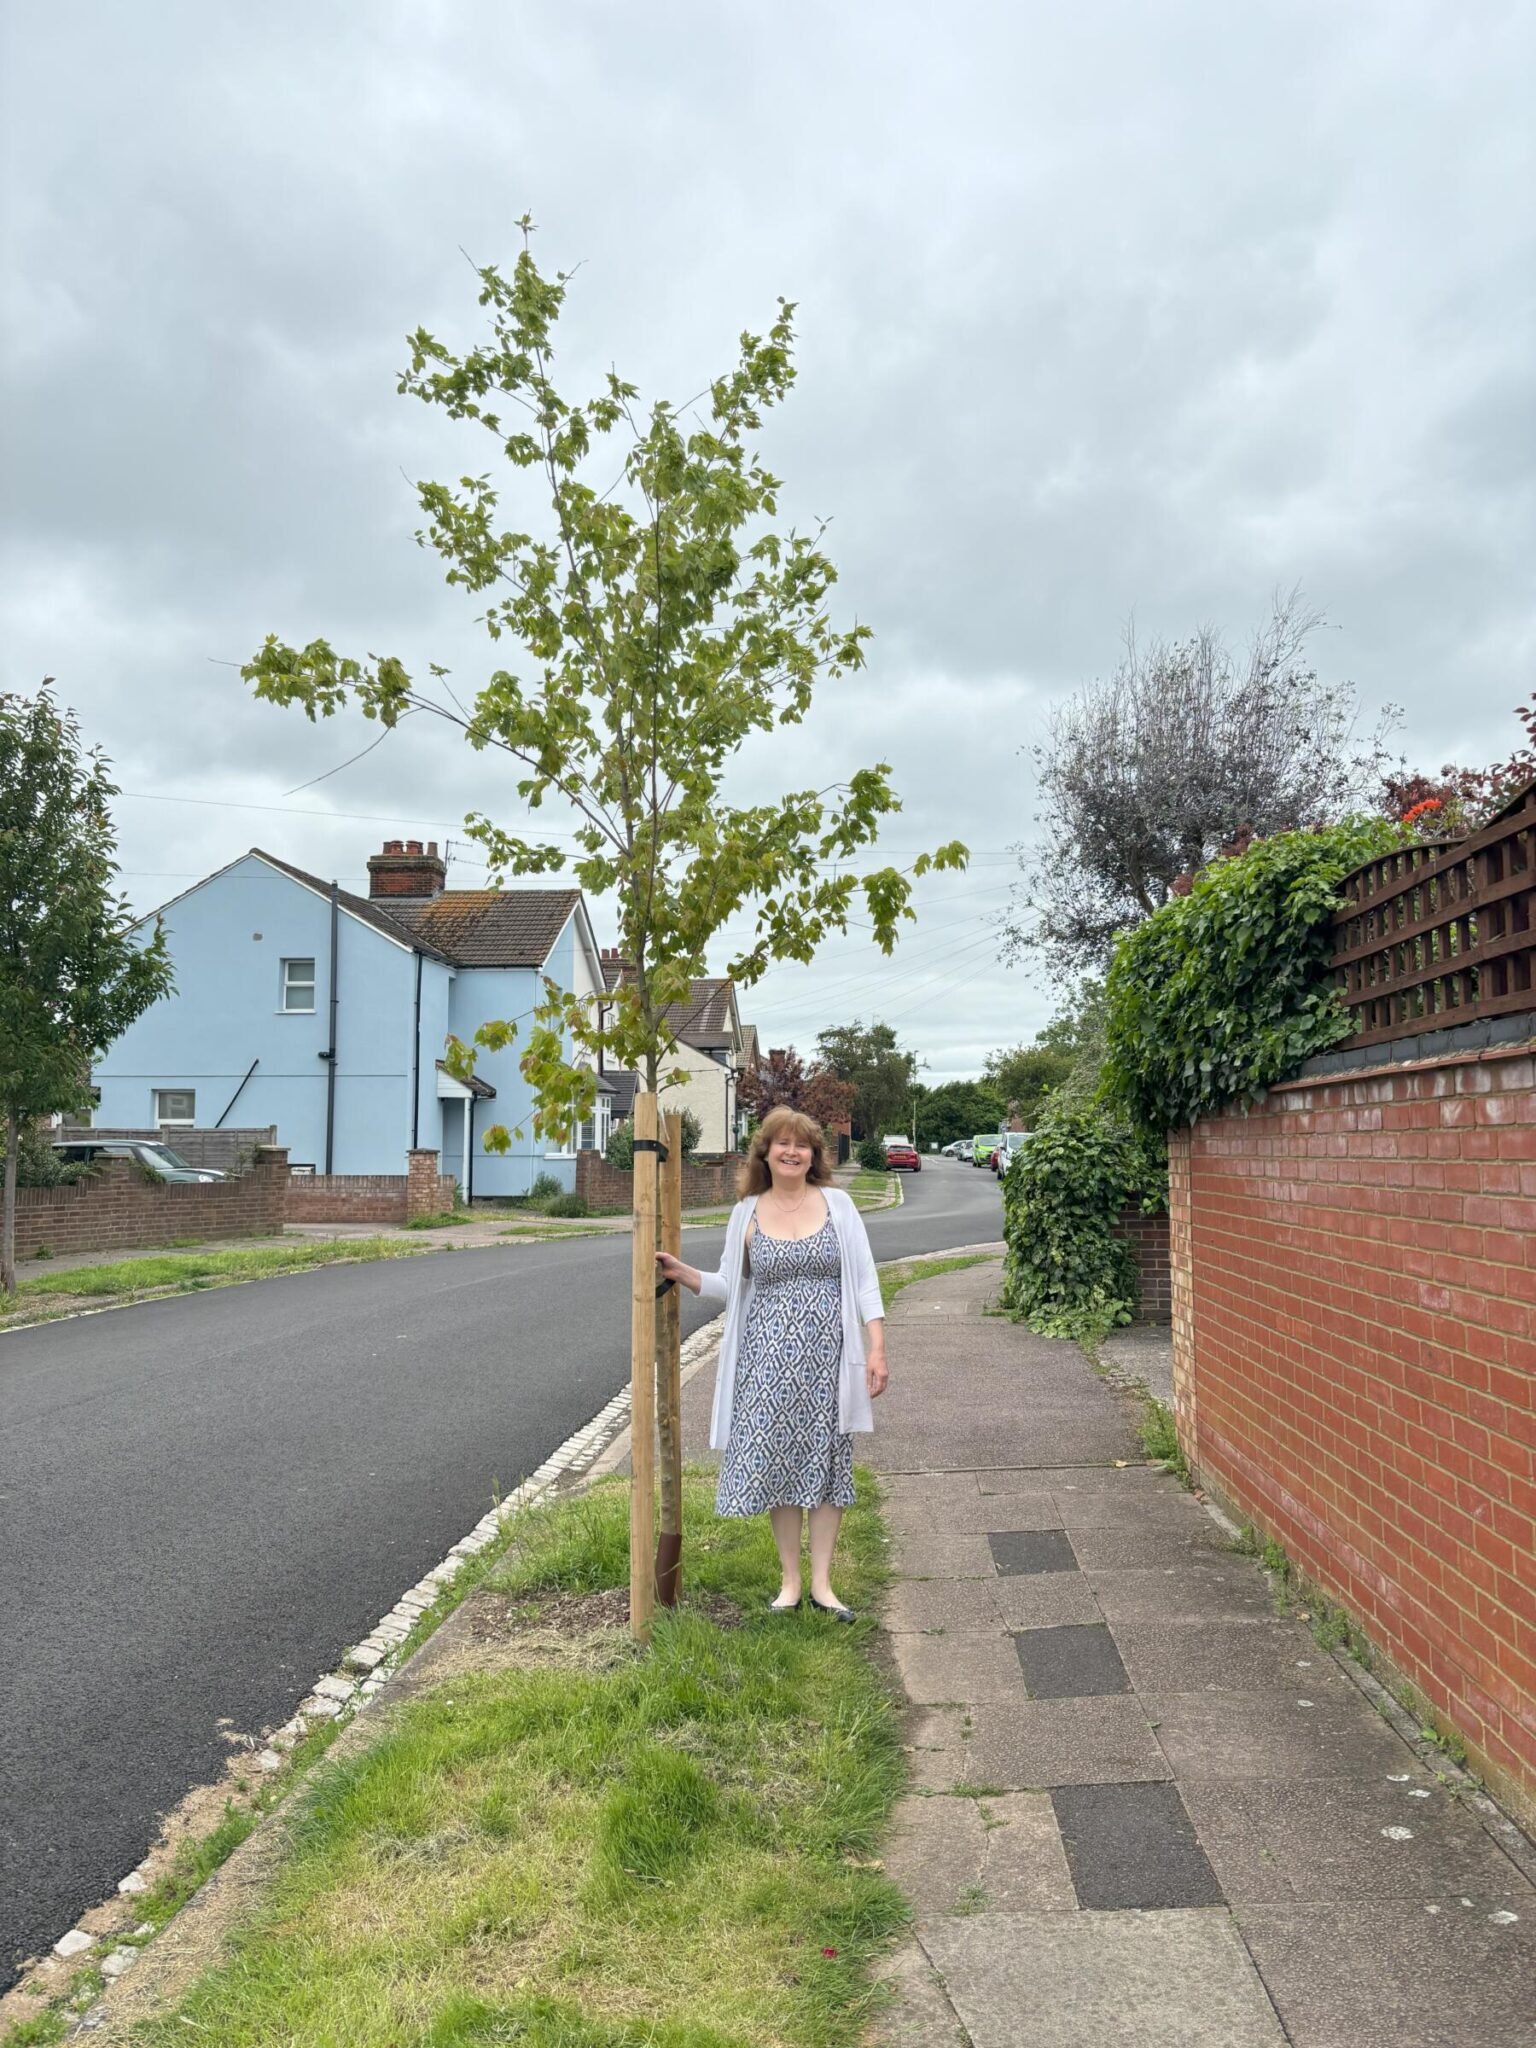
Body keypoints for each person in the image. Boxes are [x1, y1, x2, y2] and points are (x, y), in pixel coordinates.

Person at [655, 1105, 888, 1619]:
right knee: (782, 1461)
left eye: (801, 1145)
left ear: (813, 1156)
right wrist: (683, 1273)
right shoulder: (747, 1212)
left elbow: (866, 1281)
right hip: (765, 1362)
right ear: (765, 1152)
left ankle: (824, 1586)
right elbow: (727, 1284)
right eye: (781, 1143)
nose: (791, 1151)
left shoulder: (839, 1205)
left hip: (831, 1357)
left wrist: (876, 1348)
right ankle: (790, 1582)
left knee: (828, 1465)